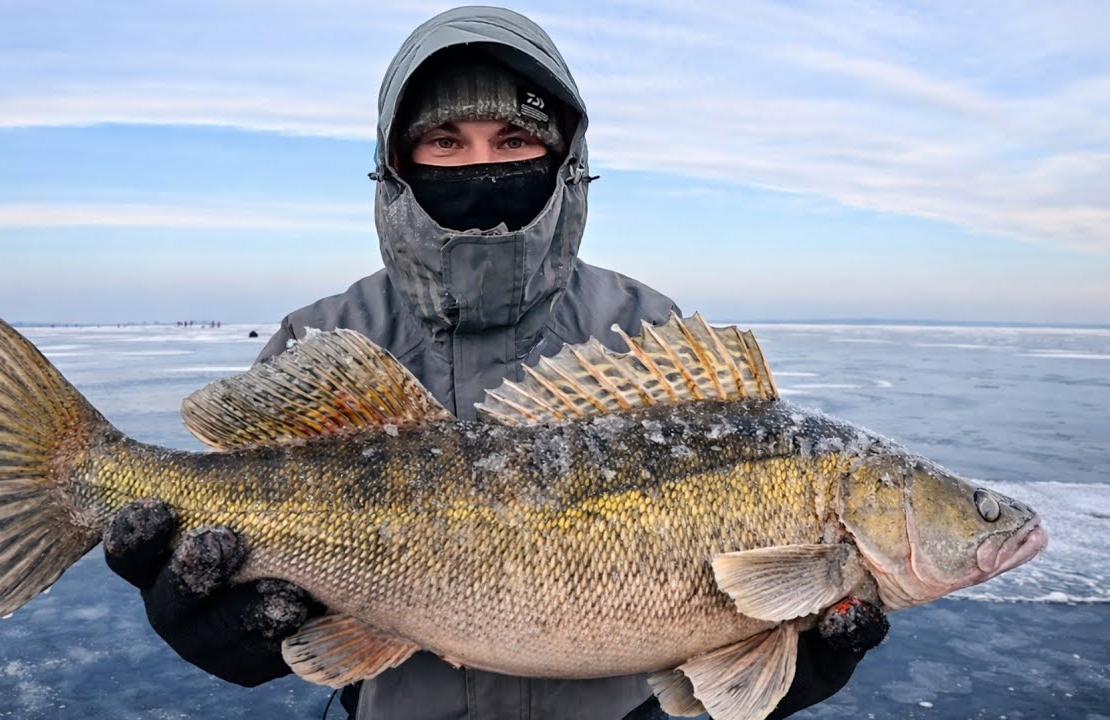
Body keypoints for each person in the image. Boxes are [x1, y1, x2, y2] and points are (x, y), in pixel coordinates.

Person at [102, 7, 885, 719]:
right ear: (396, 161)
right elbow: (243, 524)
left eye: (514, 141)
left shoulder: (646, 332)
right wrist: (211, 622)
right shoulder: (328, 335)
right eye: (445, 141)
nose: (482, 165)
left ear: (564, 156)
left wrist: (765, 666)